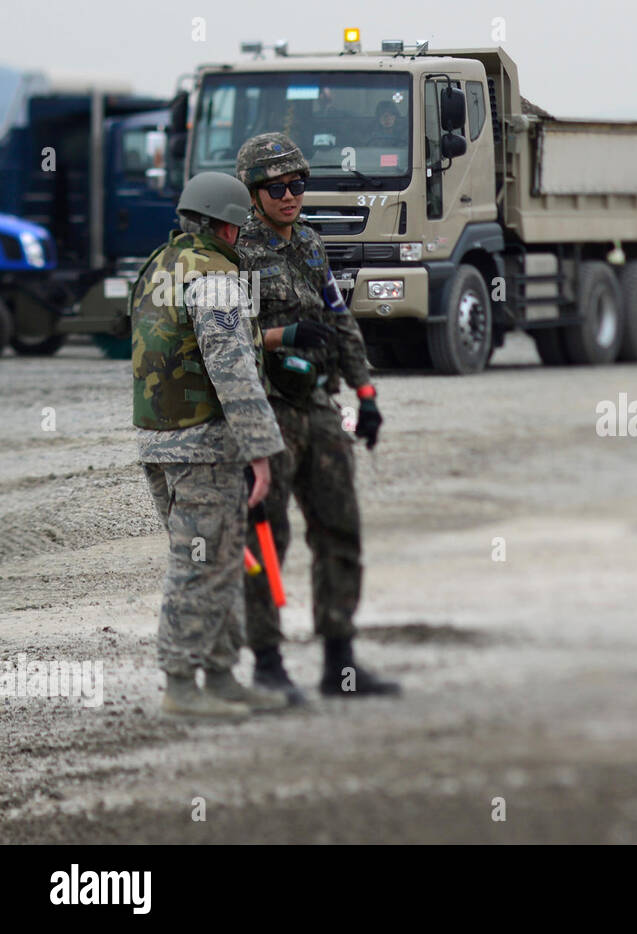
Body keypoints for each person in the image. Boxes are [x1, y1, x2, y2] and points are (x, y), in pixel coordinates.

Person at [234, 132, 399, 702]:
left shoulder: (309, 244)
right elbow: (220, 338)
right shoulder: (236, 253)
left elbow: (341, 320)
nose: (289, 195)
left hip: (320, 408)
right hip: (268, 412)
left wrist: (367, 393)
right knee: (265, 541)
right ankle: (268, 663)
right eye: (276, 187)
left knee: (339, 529)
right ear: (253, 193)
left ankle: (340, 663)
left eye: (297, 184)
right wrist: (281, 336)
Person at [132, 171, 289, 720]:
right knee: (201, 562)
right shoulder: (217, 277)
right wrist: (262, 447)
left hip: (159, 439)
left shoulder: (157, 265)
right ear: (226, 226)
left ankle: (220, 675)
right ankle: (182, 682)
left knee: (221, 558)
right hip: (203, 444)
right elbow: (233, 368)